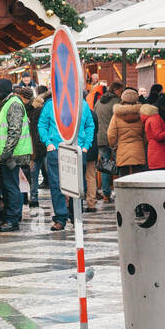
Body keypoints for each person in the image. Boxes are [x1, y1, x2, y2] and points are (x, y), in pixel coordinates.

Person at [36, 91, 97, 229]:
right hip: (57, 149)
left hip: (77, 149)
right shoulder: (51, 105)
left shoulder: (82, 105)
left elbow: (89, 125)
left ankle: (76, 215)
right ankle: (61, 217)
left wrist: (86, 146)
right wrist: (48, 143)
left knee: (79, 185)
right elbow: (42, 125)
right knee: (56, 184)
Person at [0, 78, 33, 232]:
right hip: (5, 154)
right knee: (7, 186)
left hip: (12, 154)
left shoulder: (13, 104)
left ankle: (13, 220)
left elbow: (14, 131)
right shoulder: (4, 104)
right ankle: (9, 217)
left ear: (1, 91)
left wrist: (7, 152)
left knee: (12, 187)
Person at [107, 87, 147, 176]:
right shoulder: (141, 114)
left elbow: (111, 135)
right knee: (138, 179)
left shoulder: (117, 115)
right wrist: (142, 144)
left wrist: (114, 146)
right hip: (138, 151)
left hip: (122, 151)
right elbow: (146, 134)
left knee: (124, 179)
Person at [94, 81, 122, 202]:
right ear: (116, 90)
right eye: (121, 91)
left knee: (105, 166)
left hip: (100, 137)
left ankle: (106, 193)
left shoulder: (99, 101)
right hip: (113, 137)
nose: (121, 93)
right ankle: (121, 191)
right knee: (119, 164)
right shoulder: (116, 102)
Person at [143, 94, 165, 169]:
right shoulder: (156, 118)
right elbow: (158, 136)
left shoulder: (156, 117)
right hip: (159, 155)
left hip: (158, 153)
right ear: (163, 107)